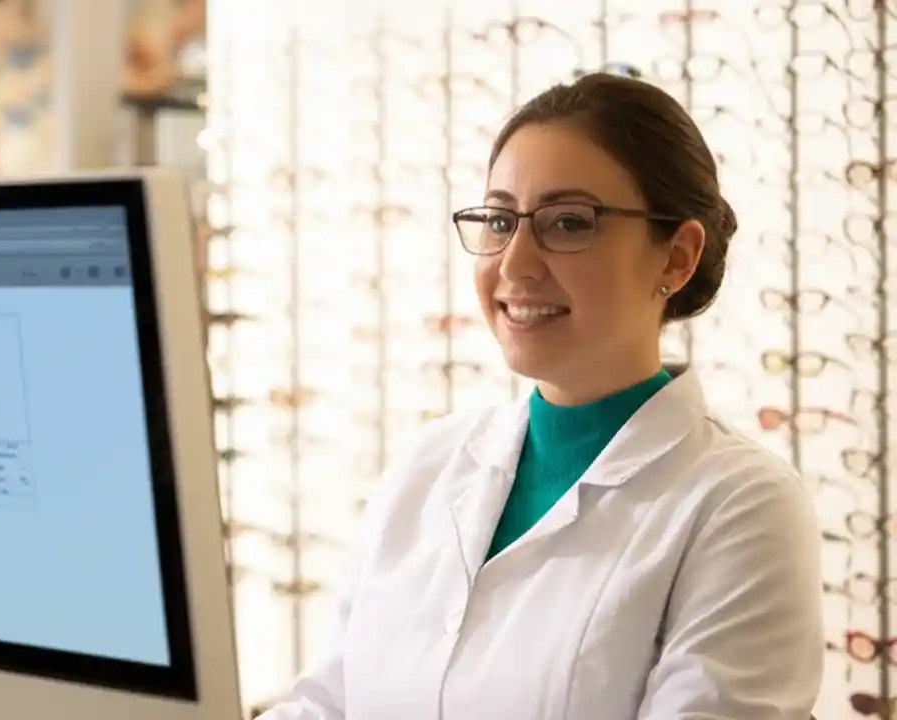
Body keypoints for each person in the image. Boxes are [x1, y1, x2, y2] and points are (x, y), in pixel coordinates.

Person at [257, 73, 823, 719]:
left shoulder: (739, 505)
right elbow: (328, 703)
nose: (516, 262)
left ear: (676, 258)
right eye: (501, 220)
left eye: (569, 223)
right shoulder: (429, 464)